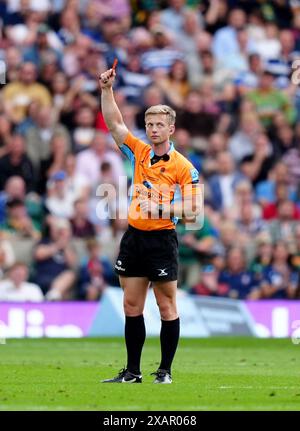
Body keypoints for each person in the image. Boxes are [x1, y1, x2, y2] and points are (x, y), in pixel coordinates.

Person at [99, 64, 201, 384]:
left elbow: (193, 209)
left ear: (171, 129)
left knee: (166, 305)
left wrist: (162, 206)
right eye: (149, 123)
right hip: (134, 238)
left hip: (161, 239)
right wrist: (106, 90)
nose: (153, 129)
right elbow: (115, 123)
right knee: (131, 305)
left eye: (159, 124)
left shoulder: (184, 167)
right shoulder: (139, 152)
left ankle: (165, 370)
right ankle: (132, 371)